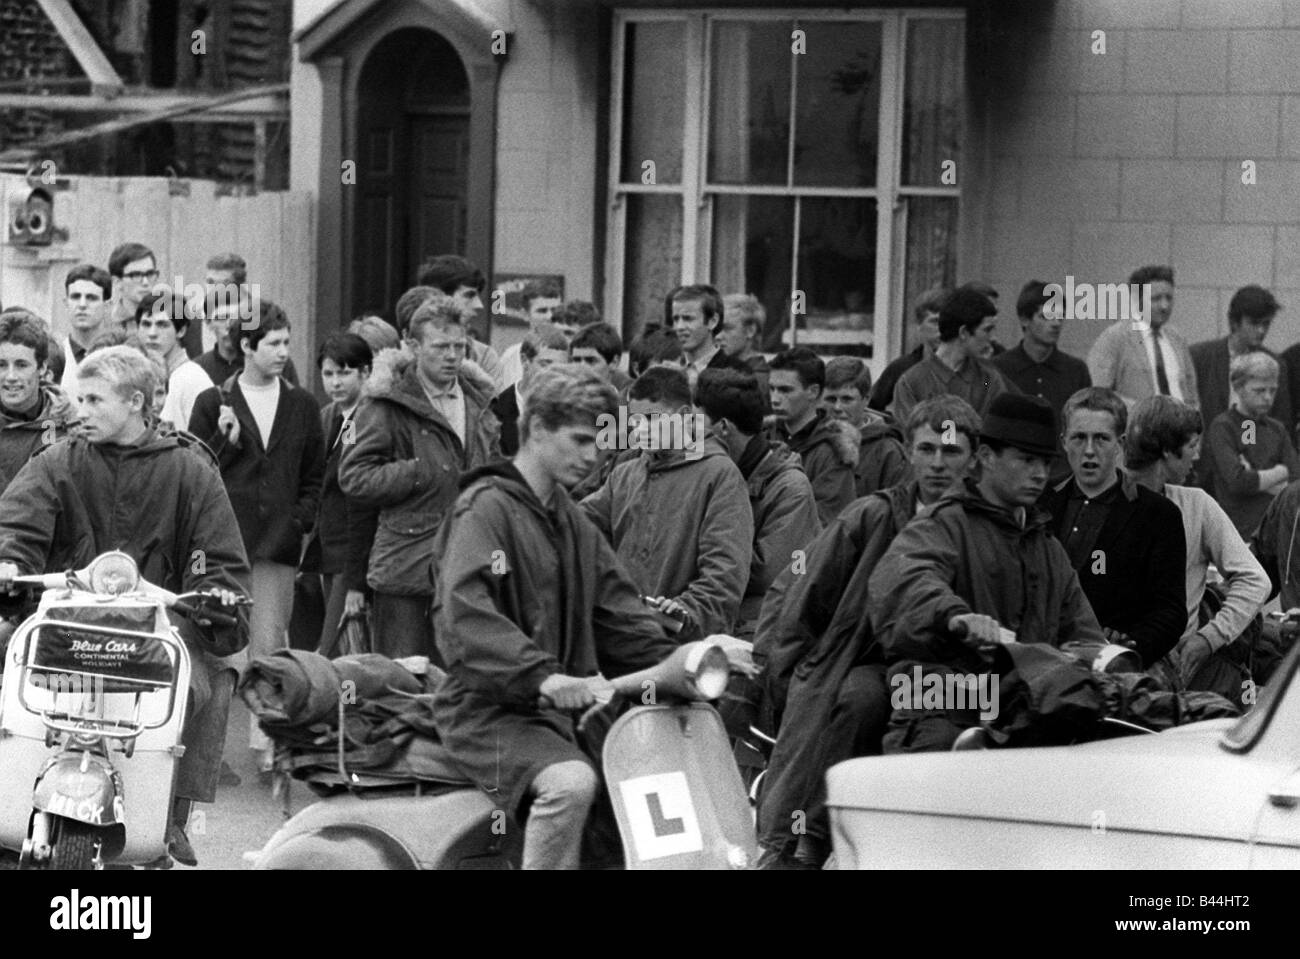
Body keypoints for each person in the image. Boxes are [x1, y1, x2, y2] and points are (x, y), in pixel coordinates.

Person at [0, 345, 251, 866]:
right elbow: (18, 526)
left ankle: (171, 815)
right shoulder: (58, 460)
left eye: (94, 400)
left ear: (137, 402)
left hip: (160, 628)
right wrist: (9, 561)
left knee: (213, 677)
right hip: (63, 623)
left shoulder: (192, 469)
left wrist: (212, 596)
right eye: (78, 399)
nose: (80, 410)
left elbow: (217, 560)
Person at [429, 365, 678, 870]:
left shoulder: (571, 521)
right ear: (537, 428)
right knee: (570, 783)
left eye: (600, 442)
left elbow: (620, 613)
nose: (593, 456)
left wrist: (687, 661)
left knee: (639, 786)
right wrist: (540, 677)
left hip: (565, 714)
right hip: (488, 713)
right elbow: (464, 618)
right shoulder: (485, 509)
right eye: (581, 439)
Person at [755, 395, 981, 867]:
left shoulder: (984, 527)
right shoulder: (871, 516)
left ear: (974, 458)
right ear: (909, 452)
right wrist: (790, 677)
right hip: (864, 659)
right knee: (857, 700)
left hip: (953, 673)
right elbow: (804, 597)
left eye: (951, 451)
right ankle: (813, 837)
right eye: (926, 450)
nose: (937, 464)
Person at [868, 393, 1105, 753]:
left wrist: (1103, 661)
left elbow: (1081, 630)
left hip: (1019, 703)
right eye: (1026, 460)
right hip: (934, 696)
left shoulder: (1047, 548)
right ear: (985, 458)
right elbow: (904, 581)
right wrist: (956, 617)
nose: (1039, 473)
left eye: (1044, 461)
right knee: (943, 757)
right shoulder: (941, 524)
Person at [188, 303, 324, 771]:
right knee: (221, 644)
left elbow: (314, 473)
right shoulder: (214, 402)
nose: (283, 352)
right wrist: (225, 439)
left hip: (278, 543)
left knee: (269, 644)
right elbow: (197, 471)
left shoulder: (303, 404)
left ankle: (269, 746)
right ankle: (209, 753)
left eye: (287, 342)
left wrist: (301, 519)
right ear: (247, 346)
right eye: (273, 343)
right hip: (226, 541)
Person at [338, 295, 500, 660]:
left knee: (459, 686)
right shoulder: (386, 402)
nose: (452, 356)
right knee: (403, 686)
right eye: (441, 346)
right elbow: (354, 477)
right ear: (412, 346)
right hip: (405, 569)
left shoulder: (480, 401)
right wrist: (416, 472)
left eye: (460, 346)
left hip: (468, 568)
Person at [580, 366, 753, 638]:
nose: (641, 430)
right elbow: (576, 527)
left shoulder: (720, 475)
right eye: (635, 421)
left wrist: (682, 613)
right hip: (621, 636)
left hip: (684, 646)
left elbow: (724, 574)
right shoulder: (625, 475)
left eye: (651, 418)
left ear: (685, 416)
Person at [1125, 396, 1269, 690]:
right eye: (1191, 446)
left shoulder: (1197, 505)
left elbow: (1255, 580)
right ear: (1167, 451)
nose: (1197, 455)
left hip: (1175, 669)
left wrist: (1209, 638)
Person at [1039, 388, 1186, 668]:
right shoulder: (1040, 502)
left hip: (1118, 664)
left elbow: (1170, 610)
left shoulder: (1158, 514)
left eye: (1101, 439)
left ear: (1120, 444)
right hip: (1043, 656)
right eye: (1079, 438)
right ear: (1064, 442)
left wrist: (1129, 649)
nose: (1090, 450)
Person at [694, 368, 820, 636]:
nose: (692, 439)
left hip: (762, 627)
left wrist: (690, 555)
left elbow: (767, 574)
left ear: (724, 428)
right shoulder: (715, 474)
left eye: (698, 428)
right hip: (719, 613)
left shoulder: (791, 490)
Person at [302, 332, 373, 656]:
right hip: (327, 546)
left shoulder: (372, 417)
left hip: (356, 550)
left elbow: (362, 500)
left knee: (334, 646)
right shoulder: (328, 415)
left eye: (344, 372)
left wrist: (358, 582)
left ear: (366, 372)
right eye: (329, 374)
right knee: (336, 645)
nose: (335, 382)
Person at [993, 279, 1092, 480]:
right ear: (1024, 319)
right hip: (1010, 476)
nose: (1056, 323)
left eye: (1060, 316)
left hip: (1063, 475)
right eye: (1047, 316)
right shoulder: (997, 368)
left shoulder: (1076, 369)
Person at [1201, 351, 1298, 538]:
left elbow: (1295, 480)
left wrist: (1259, 477)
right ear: (1238, 388)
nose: (1268, 397)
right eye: (1260, 390)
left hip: (1278, 530)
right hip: (1241, 531)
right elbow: (1239, 482)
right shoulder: (1224, 426)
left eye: (1273, 390)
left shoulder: (1275, 428)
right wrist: (1280, 472)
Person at [888, 286, 1012, 425]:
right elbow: (910, 439)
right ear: (964, 332)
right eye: (987, 330)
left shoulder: (988, 379)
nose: (992, 338)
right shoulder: (912, 383)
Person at [768, 347, 859, 524]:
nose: (775, 398)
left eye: (785, 390)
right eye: (771, 389)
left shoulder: (834, 451)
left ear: (813, 392)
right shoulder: (763, 436)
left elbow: (827, 520)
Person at [1191, 285, 1290, 448]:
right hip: (1209, 459)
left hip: (1253, 457)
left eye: (1266, 324)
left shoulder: (1276, 364)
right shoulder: (1200, 357)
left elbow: (1281, 420)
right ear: (1234, 322)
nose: (1261, 330)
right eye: (1254, 323)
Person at [1087, 264, 1197, 409]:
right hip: (1138, 426)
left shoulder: (1177, 339)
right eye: (1155, 299)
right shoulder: (1115, 337)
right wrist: (1143, 411)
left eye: (1169, 298)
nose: (1164, 306)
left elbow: (1191, 393)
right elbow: (1098, 393)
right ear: (1136, 299)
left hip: (1180, 427)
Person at [0, 311, 75, 492]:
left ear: (42, 368)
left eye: (21, 365)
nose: (10, 376)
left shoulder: (69, 424)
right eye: (1, 365)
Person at [822, 356, 908, 497]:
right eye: (831, 399)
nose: (837, 407)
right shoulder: (811, 439)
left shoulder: (888, 451)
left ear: (866, 399)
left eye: (847, 399)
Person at [413, 256, 505, 384]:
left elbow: (493, 401)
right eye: (469, 295)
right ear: (440, 296)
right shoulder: (402, 353)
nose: (478, 305)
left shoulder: (484, 356)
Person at [135, 292, 212, 429]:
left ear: (181, 331)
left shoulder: (192, 378)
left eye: (162, 325)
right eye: (146, 324)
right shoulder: (136, 376)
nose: (152, 333)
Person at [492, 325, 569, 456]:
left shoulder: (572, 411)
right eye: (546, 364)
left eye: (561, 367)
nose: (554, 373)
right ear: (524, 360)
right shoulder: (495, 411)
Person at [868, 286, 947, 413]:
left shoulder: (971, 370)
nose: (943, 328)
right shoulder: (900, 369)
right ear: (919, 326)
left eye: (949, 322)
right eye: (935, 321)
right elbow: (871, 409)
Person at [669, 283, 752, 391]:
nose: (679, 327)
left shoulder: (738, 373)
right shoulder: (667, 370)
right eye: (676, 319)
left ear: (712, 322)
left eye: (688, 319)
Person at [497, 279, 565, 389]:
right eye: (542, 311)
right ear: (525, 315)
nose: (550, 316)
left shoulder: (577, 355)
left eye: (555, 310)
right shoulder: (511, 357)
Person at [59, 263, 113, 395]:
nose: (82, 305)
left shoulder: (119, 357)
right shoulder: (55, 356)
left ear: (107, 306)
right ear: (66, 303)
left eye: (91, 298)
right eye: (76, 297)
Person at [719, 293, 771, 392]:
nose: (718, 336)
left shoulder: (759, 380)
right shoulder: (719, 371)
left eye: (727, 328)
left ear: (750, 331)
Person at [106, 242, 157, 332]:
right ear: (117, 282)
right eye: (136, 275)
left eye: (150, 274)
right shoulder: (102, 321)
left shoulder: (172, 317)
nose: (145, 282)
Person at [569, 321, 632, 392]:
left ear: (614, 363)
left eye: (590, 361)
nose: (582, 368)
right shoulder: (561, 401)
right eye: (576, 360)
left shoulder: (625, 401)